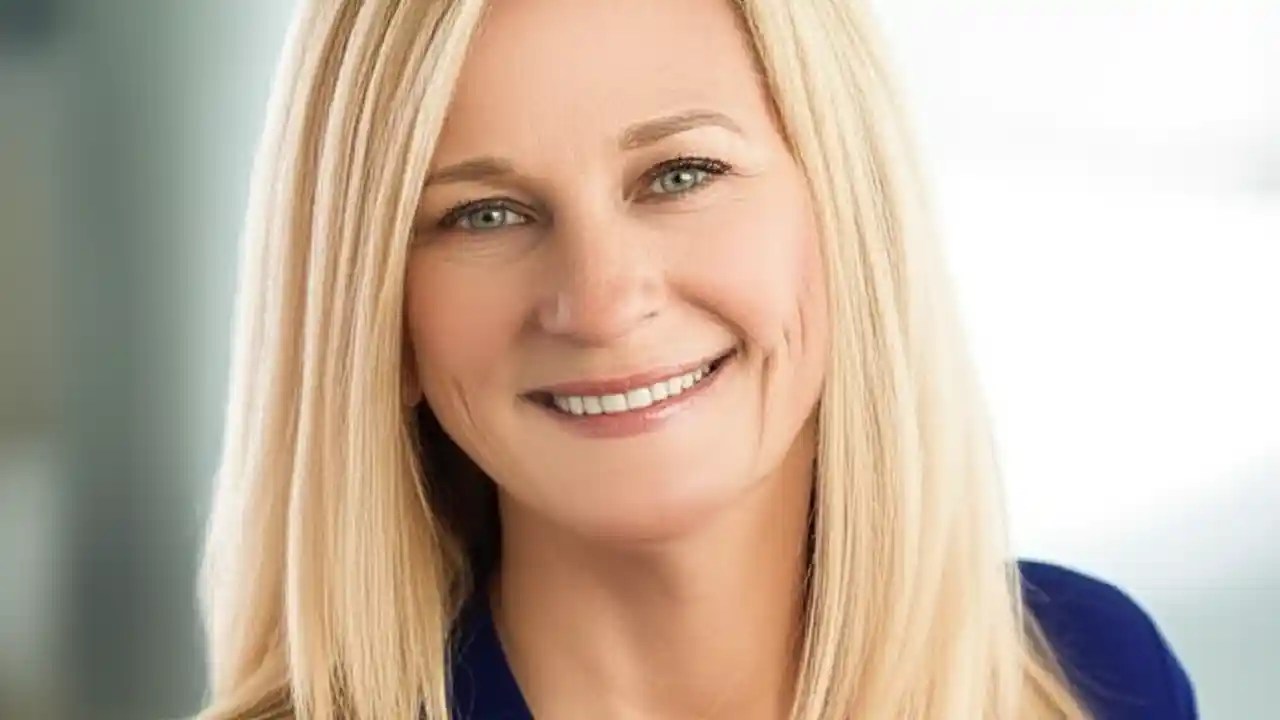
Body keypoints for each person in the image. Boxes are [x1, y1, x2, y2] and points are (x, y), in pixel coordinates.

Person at [197, 0, 1197, 718]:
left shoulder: (1086, 676)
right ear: (378, 320)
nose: (599, 303)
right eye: (483, 214)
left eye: (680, 173)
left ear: (847, 210)